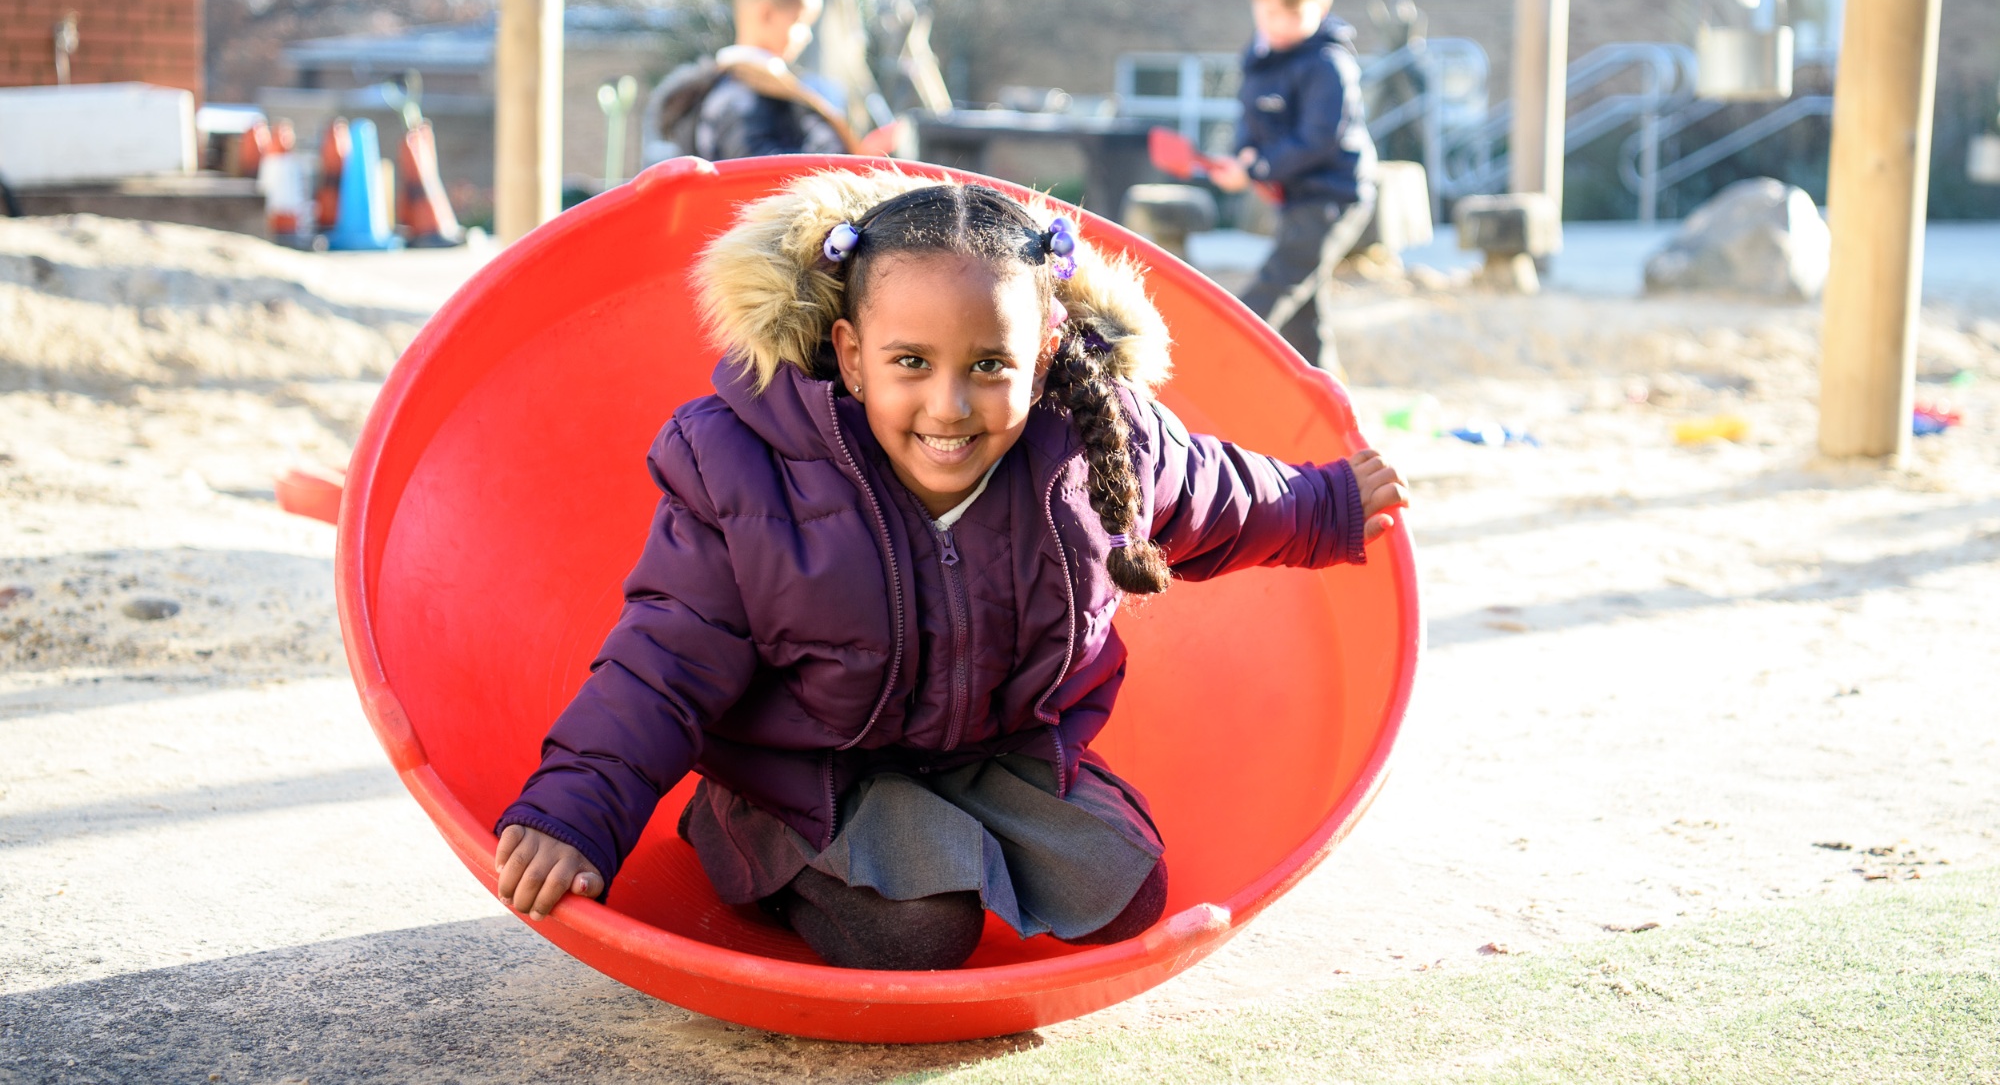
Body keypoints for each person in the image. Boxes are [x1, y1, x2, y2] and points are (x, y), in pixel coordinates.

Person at [491, 170, 1409, 971]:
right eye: (910, 363)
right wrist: (578, 811)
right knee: (921, 934)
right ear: (852, 354)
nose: (950, 405)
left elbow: (1218, 494)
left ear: (1046, 351)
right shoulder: (746, 467)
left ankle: (942, 839)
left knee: (1126, 888)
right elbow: (666, 660)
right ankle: (740, 834)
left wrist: (1330, 502)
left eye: (989, 365)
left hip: (984, 754)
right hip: (808, 774)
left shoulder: (1092, 441)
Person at [1210, 0, 1378, 373]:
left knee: (1277, 284)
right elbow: (1250, 118)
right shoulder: (1260, 60)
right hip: (1295, 197)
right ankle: (1324, 396)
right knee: (1305, 312)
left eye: (1292, 14)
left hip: (1333, 195)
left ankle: (1218, 356)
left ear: (1320, 8)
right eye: (1268, 13)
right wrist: (1244, 155)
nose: (1278, 25)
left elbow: (1318, 139)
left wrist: (1258, 168)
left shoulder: (1328, 65)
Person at [644, 0, 897, 163]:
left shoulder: (754, 86)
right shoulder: (740, 94)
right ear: (766, 14)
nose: (806, 36)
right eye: (799, 22)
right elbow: (760, 175)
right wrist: (854, 161)